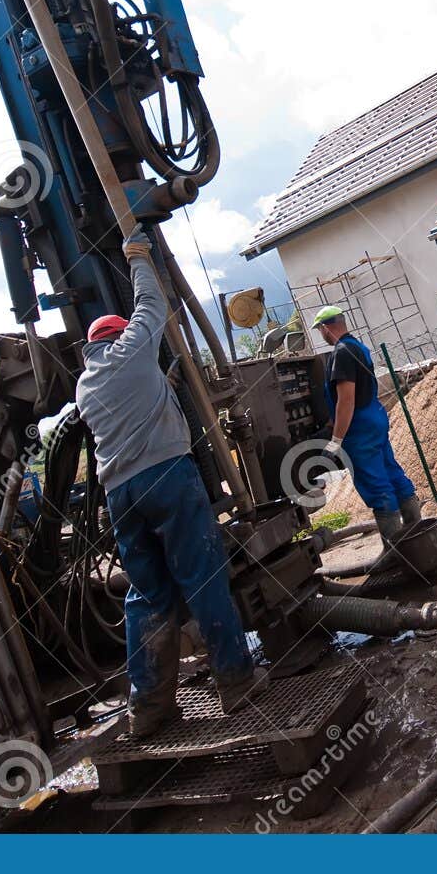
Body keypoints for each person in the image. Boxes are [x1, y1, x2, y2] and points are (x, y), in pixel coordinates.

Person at [77, 231, 267, 736]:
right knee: (202, 576)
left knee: (146, 596)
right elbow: (152, 303)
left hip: (121, 495)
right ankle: (235, 679)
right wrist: (138, 257)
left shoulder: (86, 385)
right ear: (117, 337)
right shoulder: (131, 351)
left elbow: (138, 404)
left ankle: (150, 706)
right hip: (167, 479)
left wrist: (168, 388)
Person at [312, 306, 422, 549]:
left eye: (319, 330)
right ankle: (417, 533)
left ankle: (395, 551)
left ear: (325, 328)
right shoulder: (358, 347)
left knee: (375, 483)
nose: (320, 335)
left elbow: (347, 399)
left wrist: (336, 440)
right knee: (391, 472)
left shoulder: (341, 353)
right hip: (374, 415)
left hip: (358, 426)